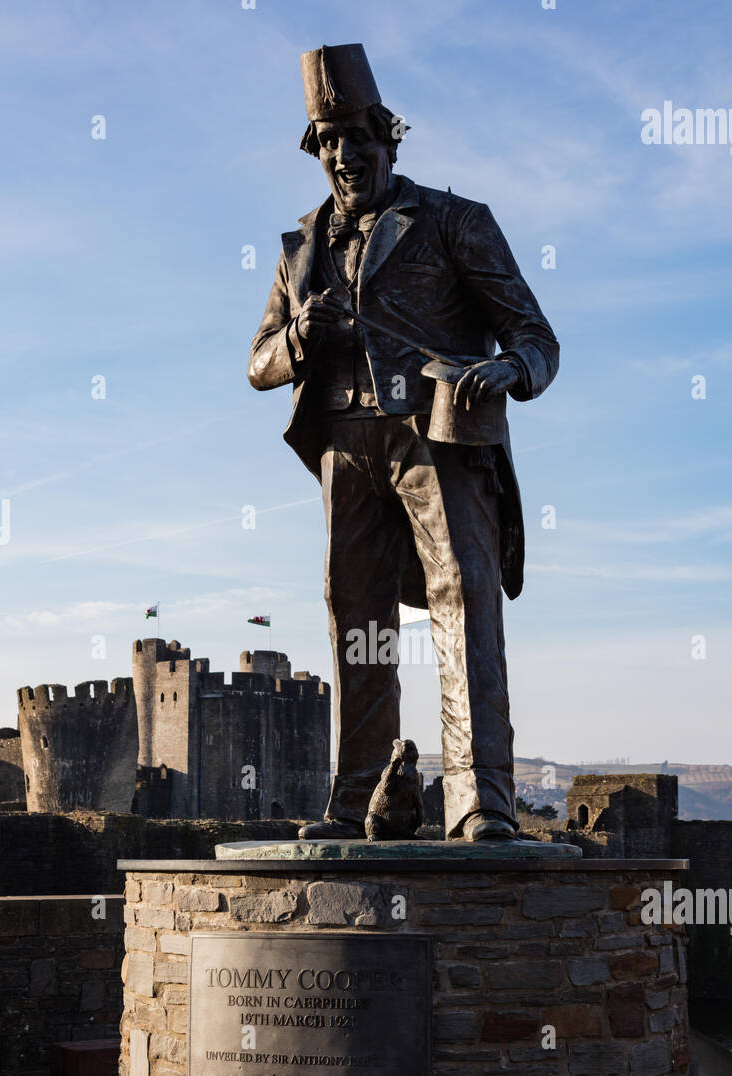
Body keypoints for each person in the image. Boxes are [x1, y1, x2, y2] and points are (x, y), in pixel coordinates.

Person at [248, 44, 559, 842]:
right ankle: (359, 801)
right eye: (330, 143)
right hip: (343, 450)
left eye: (358, 138)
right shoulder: (299, 249)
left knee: (464, 603)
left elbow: (535, 337)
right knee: (356, 616)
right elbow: (258, 365)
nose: (345, 156)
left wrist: (508, 370)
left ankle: (481, 800)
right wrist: (299, 337)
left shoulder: (455, 221)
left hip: (437, 438)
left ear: (388, 138)